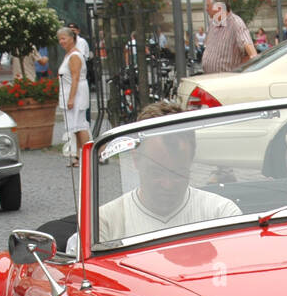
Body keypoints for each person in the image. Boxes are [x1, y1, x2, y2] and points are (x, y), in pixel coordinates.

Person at [98, 102, 241, 242]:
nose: (168, 185)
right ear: (136, 160)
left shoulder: (222, 214)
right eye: (157, 173)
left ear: (190, 161)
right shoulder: (105, 222)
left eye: (178, 173)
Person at [58, 27, 91, 168]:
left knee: (79, 125)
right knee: (75, 127)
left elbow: (75, 77)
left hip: (76, 93)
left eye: (64, 38)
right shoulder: (69, 55)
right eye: (59, 39)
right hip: (69, 91)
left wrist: (71, 98)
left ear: (72, 38)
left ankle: (88, 155)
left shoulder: (75, 56)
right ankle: (78, 156)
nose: (61, 42)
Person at [201, 0, 256, 73]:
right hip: (210, 80)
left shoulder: (236, 23)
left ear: (219, 8)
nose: (206, 9)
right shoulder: (212, 23)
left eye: (208, 6)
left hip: (226, 82)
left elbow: (252, 54)